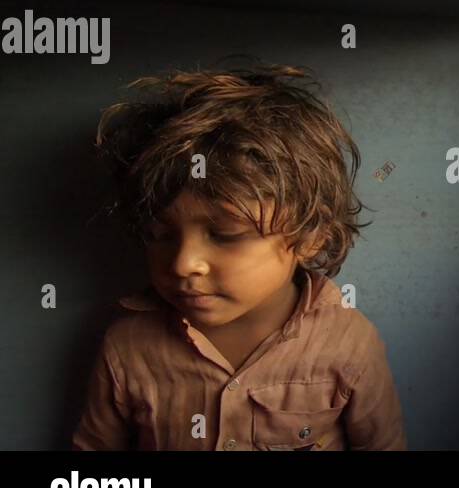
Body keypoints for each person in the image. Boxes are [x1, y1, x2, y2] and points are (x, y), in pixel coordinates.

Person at [72, 64, 406, 451]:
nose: (183, 263)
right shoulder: (127, 346)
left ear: (312, 237)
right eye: (160, 235)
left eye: (226, 235)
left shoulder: (348, 345)